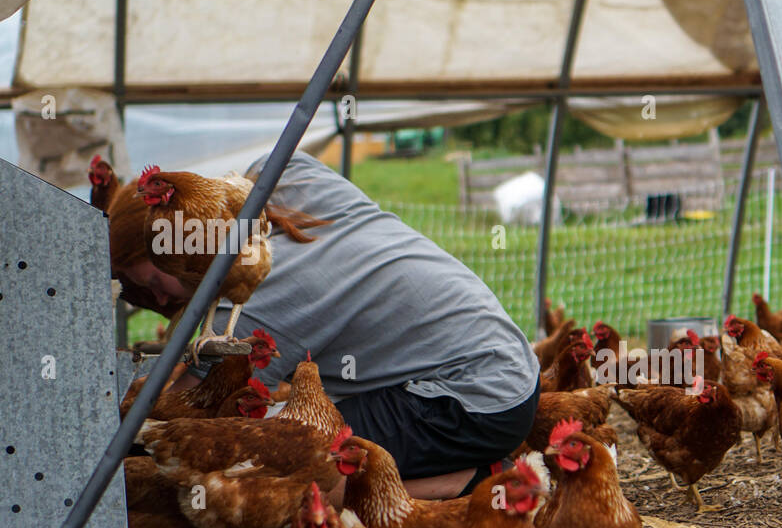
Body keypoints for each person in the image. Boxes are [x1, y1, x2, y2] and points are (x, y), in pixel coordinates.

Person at [119, 151, 540, 500]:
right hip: (505, 360)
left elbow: (193, 410)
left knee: (280, 462)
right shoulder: (282, 174)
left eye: (154, 282)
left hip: (473, 401)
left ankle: (464, 484)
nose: (159, 301)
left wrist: (123, 437)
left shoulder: (255, 296)